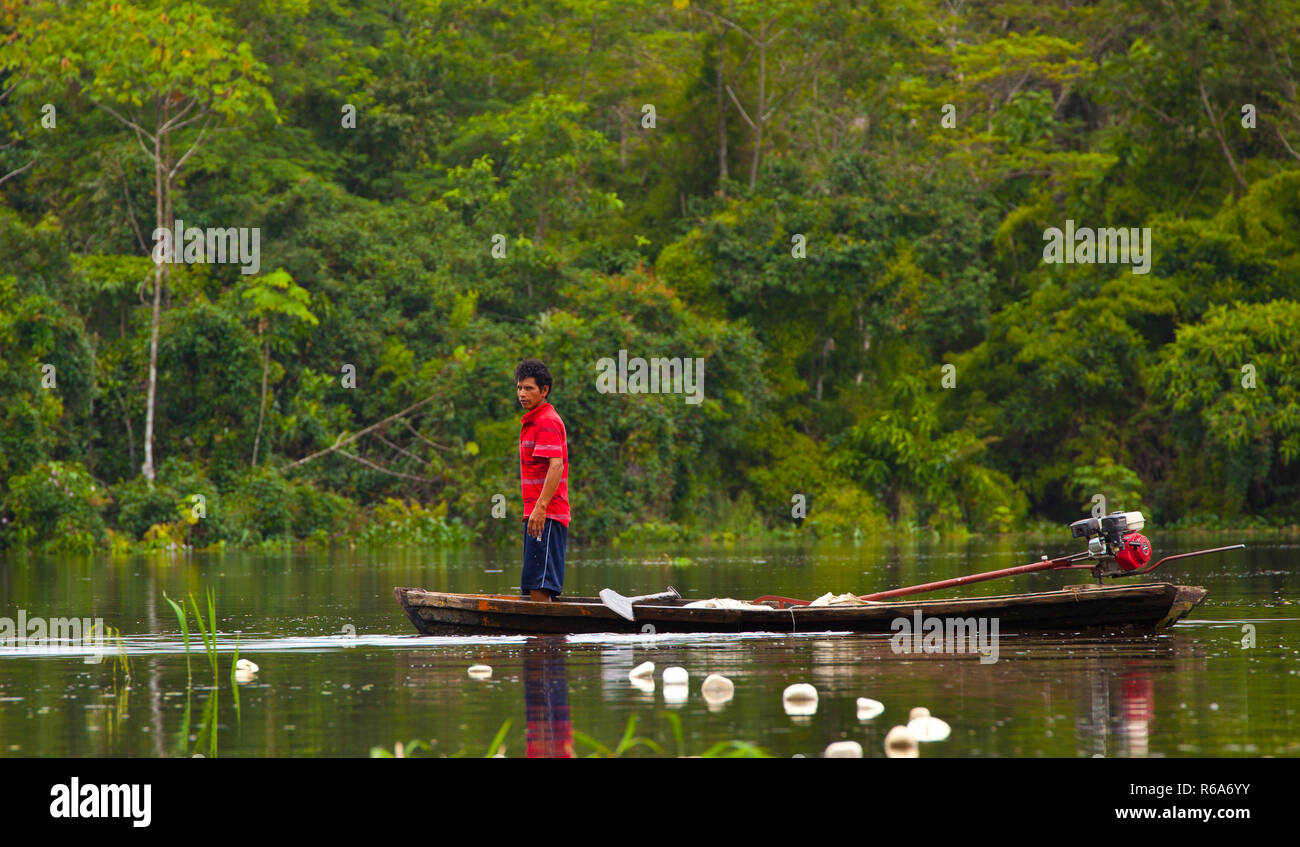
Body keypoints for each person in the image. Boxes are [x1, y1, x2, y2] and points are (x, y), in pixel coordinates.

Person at [515, 359, 569, 601]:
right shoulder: (532, 420)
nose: (522, 394)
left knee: (539, 584)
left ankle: (543, 638)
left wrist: (541, 507)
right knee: (535, 583)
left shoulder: (546, 420)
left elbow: (555, 466)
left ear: (544, 390)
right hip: (537, 514)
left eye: (529, 388)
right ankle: (543, 637)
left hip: (546, 514)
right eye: (519, 388)